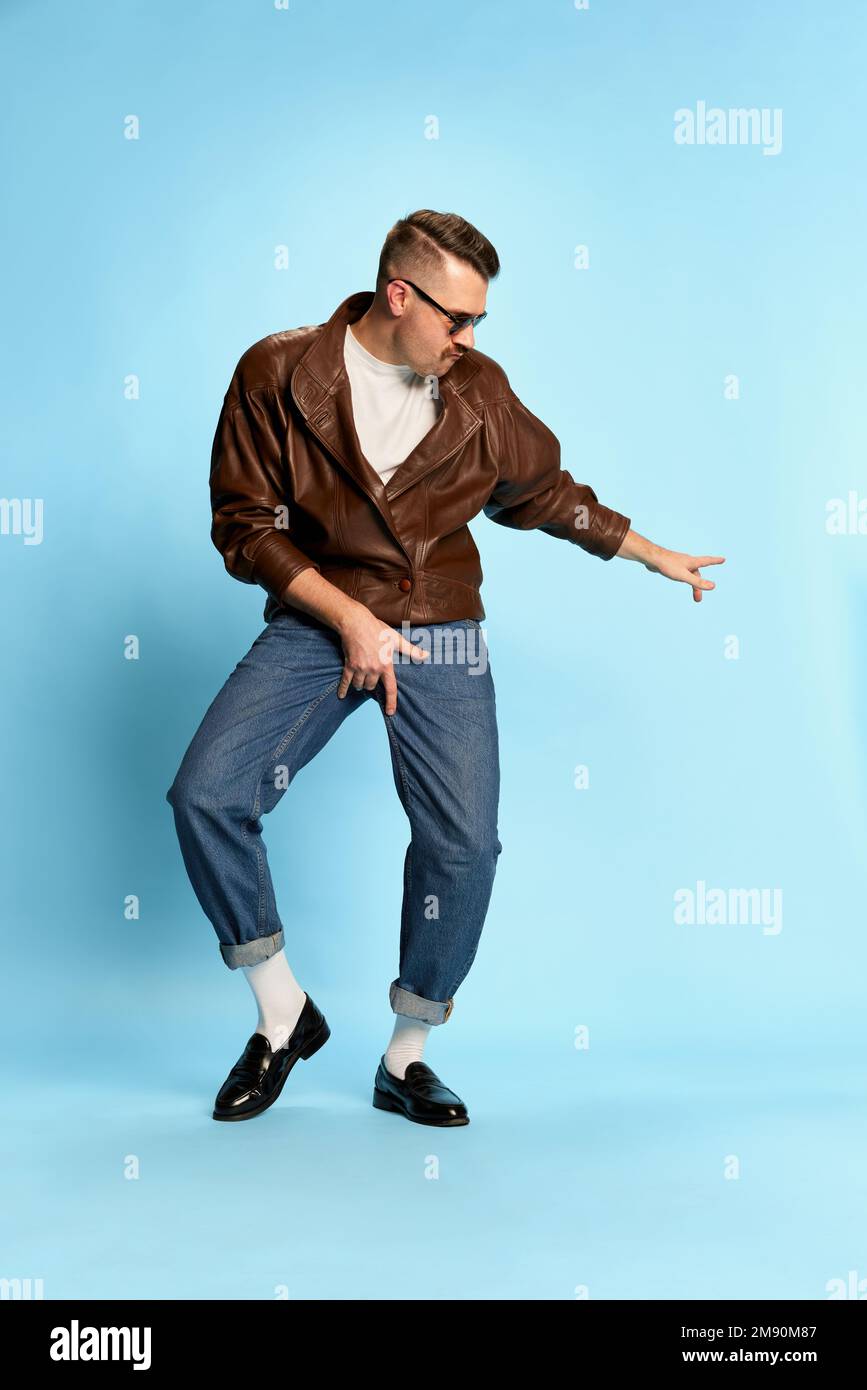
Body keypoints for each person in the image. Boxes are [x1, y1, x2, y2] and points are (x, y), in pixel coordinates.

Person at [165, 209, 724, 1128]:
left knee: (462, 846)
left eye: (478, 324)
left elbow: (542, 493)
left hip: (440, 624)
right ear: (399, 295)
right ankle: (281, 1016)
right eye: (455, 320)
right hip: (322, 613)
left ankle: (406, 1054)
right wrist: (346, 618)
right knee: (206, 794)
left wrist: (647, 552)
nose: (467, 340)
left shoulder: (475, 391)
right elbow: (243, 525)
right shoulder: (279, 371)